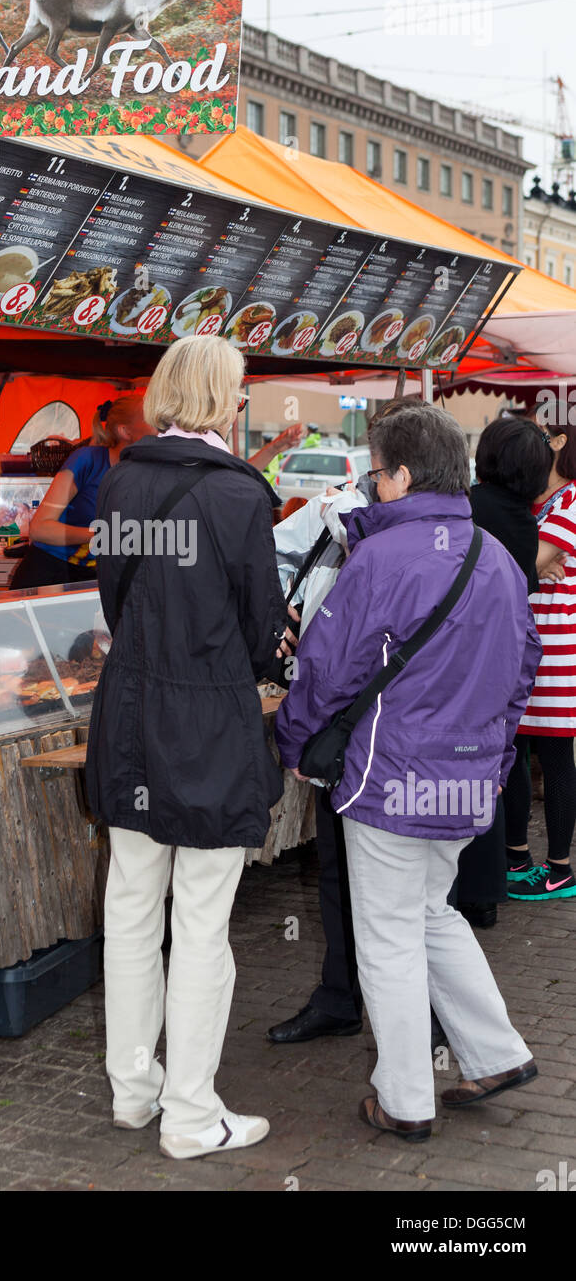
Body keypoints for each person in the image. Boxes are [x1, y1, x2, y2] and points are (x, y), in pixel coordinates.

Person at [276, 402, 540, 1139]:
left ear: (398, 477)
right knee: (430, 914)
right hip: (465, 777)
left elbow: (325, 671)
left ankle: (405, 1099)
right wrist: (496, 757)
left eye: (377, 474)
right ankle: (495, 1053)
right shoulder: (496, 557)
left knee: (390, 932)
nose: (373, 486)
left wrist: (295, 744)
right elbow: (522, 669)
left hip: (389, 777)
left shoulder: (381, 558)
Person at [85, 336, 287, 1160]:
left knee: (131, 909)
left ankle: (134, 1092)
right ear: (214, 397)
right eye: (236, 389)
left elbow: (113, 599)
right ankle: (192, 1116)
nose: (241, 401)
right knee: (201, 923)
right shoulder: (241, 495)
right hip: (207, 721)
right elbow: (263, 630)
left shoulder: (122, 479)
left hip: (130, 711)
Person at [267, 397, 419, 1047]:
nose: (373, 477)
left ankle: (416, 1024)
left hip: (392, 730)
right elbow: (274, 557)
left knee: (407, 892)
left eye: (380, 467)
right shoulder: (337, 510)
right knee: (337, 867)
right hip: (345, 727)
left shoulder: (429, 535)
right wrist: (280, 616)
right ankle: (342, 995)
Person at [461, 417, 555, 925]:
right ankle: (484, 893)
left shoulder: (468, 507)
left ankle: (465, 890)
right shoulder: (524, 520)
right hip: (502, 660)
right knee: (491, 767)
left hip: (460, 657)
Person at [504, 413, 576, 902]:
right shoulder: (538, 501)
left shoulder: (570, 500)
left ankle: (561, 867)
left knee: (554, 757)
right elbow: (529, 564)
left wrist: (529, 561)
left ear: (561, 441)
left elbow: (522, 563)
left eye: (541, 435)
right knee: (514, 750)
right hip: (523, 642)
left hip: (556, 649)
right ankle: (516, 858)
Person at [10, 394, 151, 589]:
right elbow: (40, 529)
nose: (161, 426)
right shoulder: (87, 460)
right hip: (50, 570)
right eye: (151, 418)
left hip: (94, 574)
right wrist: (100, 534)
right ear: (125, 431)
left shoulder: (147, 471)